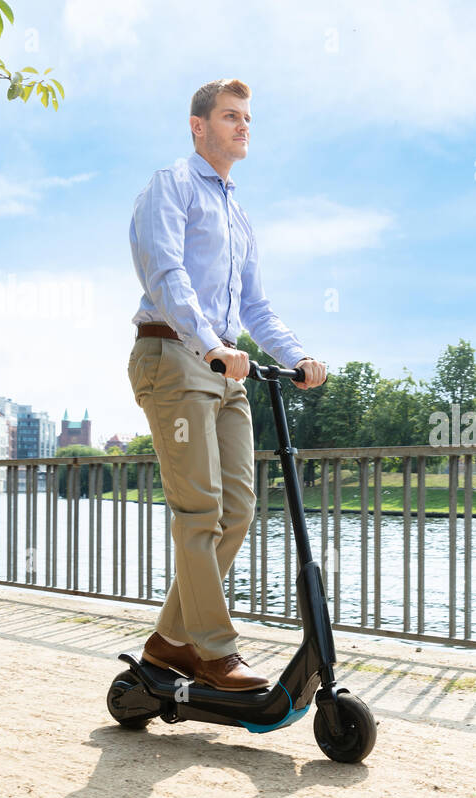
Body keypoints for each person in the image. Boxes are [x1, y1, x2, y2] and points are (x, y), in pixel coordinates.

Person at [126, 78, 327, 692]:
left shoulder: (239, 216)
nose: (243, 127)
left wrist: (300, 357)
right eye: (230, 116)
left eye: (247, 118)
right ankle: (214, 651)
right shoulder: (172, 185)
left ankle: (168, 642)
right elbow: (165, 273)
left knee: (239, 506)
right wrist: (209, 343)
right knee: (200, 508)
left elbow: (258, 308)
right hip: (174, 353)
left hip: (223, 366)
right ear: (198, 126)